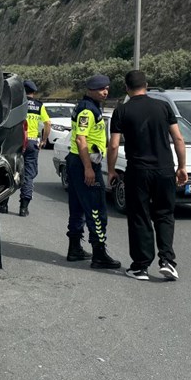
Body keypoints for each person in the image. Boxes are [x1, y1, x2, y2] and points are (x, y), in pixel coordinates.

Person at [106, 70, 188, 281]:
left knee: (139, 216)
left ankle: (140, 266)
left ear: (126, 87)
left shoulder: (121, 111)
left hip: (138, 171)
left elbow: (114, 145)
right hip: (165, 169)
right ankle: (168, 261)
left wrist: (112, 170)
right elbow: (178, 139)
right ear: (147, 85)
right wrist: (182, 167)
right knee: (164, 214)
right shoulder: (163, 107)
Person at [65, 75, 121, 269]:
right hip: (84, 163)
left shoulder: (90, 106)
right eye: (100, 89)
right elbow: (81, 139)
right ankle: (99, 254)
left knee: (78, 207)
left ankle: (74, 249)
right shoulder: (88, 110)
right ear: (90, 90)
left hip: (78, 162)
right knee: (97, 209)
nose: (105, 92)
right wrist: (88, 168)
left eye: (106, 88)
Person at [0, 80, 49, 216]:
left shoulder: (16, 104)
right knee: (29, 176)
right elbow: (48, 123)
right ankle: (23, 208)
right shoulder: (39, 106)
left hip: (15, 143)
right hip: (32, 143)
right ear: (34, 92)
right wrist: (43, 140)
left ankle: (3, 205)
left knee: (8, 172)